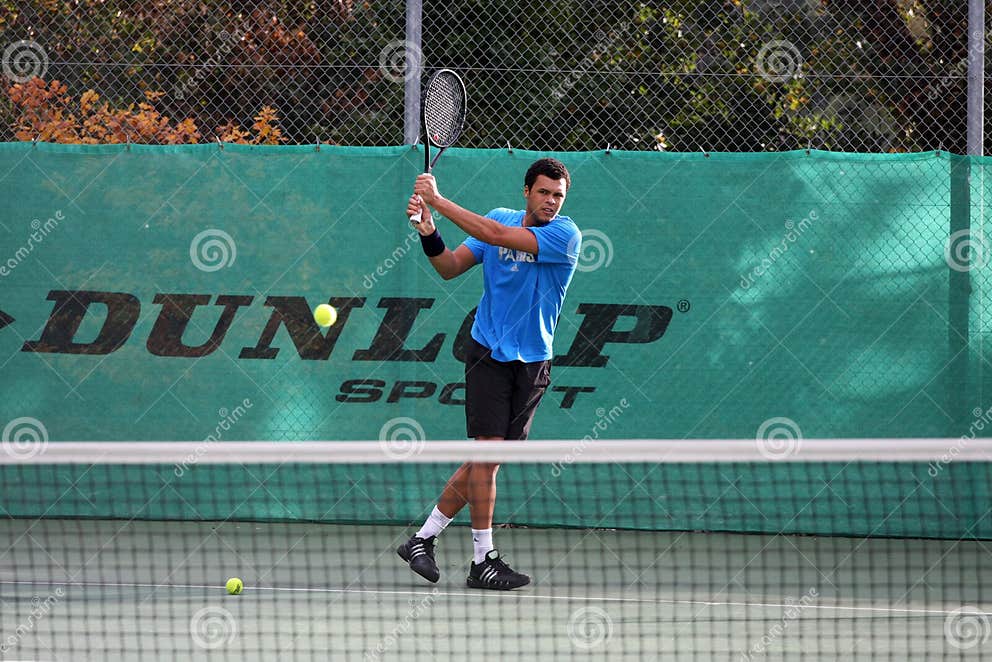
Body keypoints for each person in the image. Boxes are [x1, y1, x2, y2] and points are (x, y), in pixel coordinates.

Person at [396, 157, 581, 590]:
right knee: (487, 457)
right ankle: (483, 559)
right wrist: (429, 231)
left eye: (558, 195)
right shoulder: (498, 218)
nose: (551, 201)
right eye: (543, 192)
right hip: (487, 353)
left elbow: (495, 235)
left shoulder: (564, 235)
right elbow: (450, 267)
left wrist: (437, 200)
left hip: (533, 360)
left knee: (489, 459)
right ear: (526, 192)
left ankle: (423, 539)